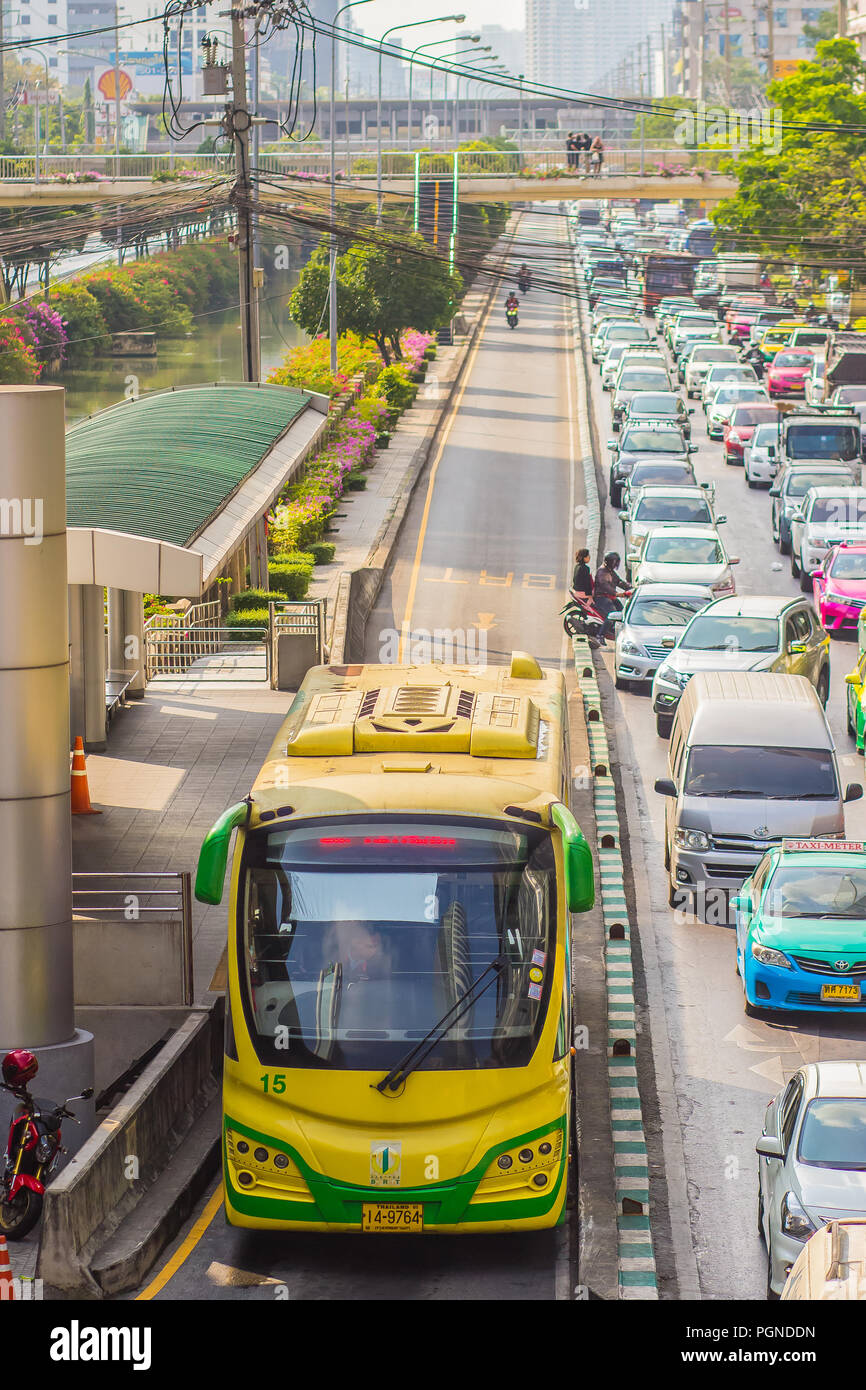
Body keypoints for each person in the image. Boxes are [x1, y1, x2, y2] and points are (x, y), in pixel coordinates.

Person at [593, 550, 629, 636]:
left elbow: (619, 582)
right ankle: (600, 635)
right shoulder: (602, 572)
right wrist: (616, 593)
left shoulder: (610, 571)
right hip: (601, 597)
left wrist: (632, 588)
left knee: (623, 612)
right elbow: (605, 585)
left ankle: (614, 630)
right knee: (612, 615)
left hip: (610, 597)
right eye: (615, 562)